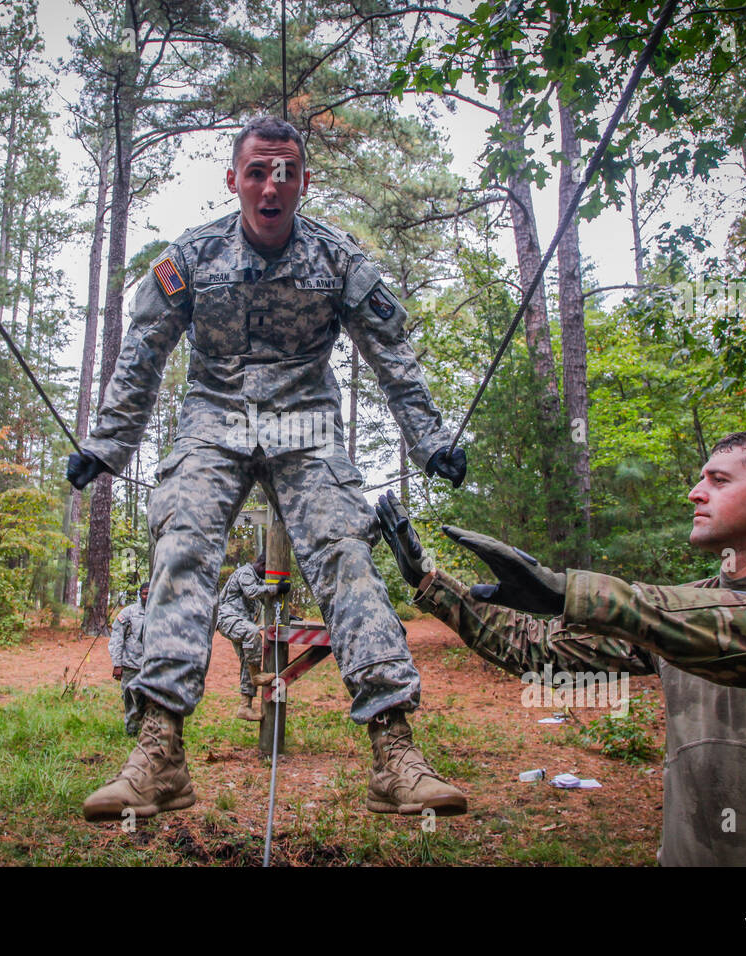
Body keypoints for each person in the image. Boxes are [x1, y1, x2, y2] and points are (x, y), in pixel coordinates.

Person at [68, 115, 469, 822]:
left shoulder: (336, 259)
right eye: (257, 170)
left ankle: (395, 754)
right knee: (182, 542)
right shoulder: (190, 256)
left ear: (304, 181)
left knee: (346, 554)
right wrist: (106, 444)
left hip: (305, 424)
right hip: (213, 418)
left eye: (285, 172)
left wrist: (430, 440)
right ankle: (160, 755)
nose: (271, 185)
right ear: (234, 180)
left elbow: (392, 353)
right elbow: (143, 351)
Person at [377, 429, 746, 866]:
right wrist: (434, 586)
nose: (695, 492)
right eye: (700, 478)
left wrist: (569, 590)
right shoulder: (679, 612)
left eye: (718, 481)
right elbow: (541, 651)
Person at [215, 556, 284, 721]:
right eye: (267, 571)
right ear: (262, 564)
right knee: (252, 632)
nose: (267, 576)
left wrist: (286, 615)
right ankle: (256, 676)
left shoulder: (256, 578)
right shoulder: (245, 573)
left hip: (240, 622)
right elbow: (252, 592)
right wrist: (276, 588)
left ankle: (245, 707)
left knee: (248, 660)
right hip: (227, 618)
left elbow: (264, 598)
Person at [108, 583, 149, 736]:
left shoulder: (160, 613)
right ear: (140, 594)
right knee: (131, 700)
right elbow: (117, 640)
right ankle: (132, 732)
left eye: (151, 593)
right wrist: (117, 664)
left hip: (152, 666)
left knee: (152, 701)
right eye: (145, 593)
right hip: (132, 665)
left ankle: (149, 733)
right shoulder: (128, 613)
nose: (148, 596)